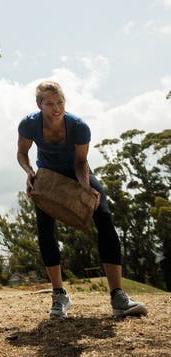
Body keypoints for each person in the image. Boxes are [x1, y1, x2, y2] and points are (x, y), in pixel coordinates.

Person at [17, 80, 148, 320]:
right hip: (47, 176)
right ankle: (59, 294)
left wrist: (86, 189)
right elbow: (22, 153)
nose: (56, 108)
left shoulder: (79, 127)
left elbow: (80, 162)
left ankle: (118, 296)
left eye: (60, 102)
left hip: (76, 172)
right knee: (45, 229)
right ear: (39, 105)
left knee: (105, 217)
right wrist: (29, 172)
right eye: (49, 104)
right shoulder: (29, 124)